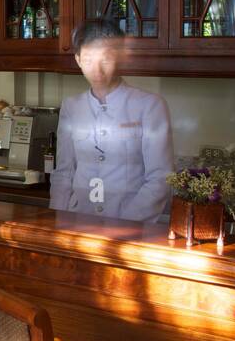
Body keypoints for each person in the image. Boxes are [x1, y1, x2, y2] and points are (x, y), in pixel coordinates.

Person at [49, 20, 173, 221]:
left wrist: (123, 225)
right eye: (88, 60)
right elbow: (64, 172)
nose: (96, 70)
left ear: (120, 57)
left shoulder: (150, 105)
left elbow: (160, 179)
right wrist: (57, 220)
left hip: (130, 225)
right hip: (78, 221)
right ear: (78, 59)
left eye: (105, 59)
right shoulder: (72, 106)